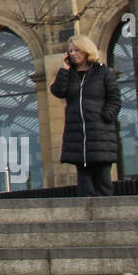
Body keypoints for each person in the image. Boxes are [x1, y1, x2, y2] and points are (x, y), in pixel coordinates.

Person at [50, 35, 121, 197]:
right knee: (84, 182)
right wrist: (64, 69)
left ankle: (107, 216)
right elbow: (57, 91)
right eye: (71, 51)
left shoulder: (103, 72)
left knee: (102, 180)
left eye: (77, 50)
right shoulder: (70, 74)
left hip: (100, 134)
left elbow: (115, 100)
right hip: (77, 136)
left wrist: (106, 116)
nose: (73, 53)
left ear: (86, 50)